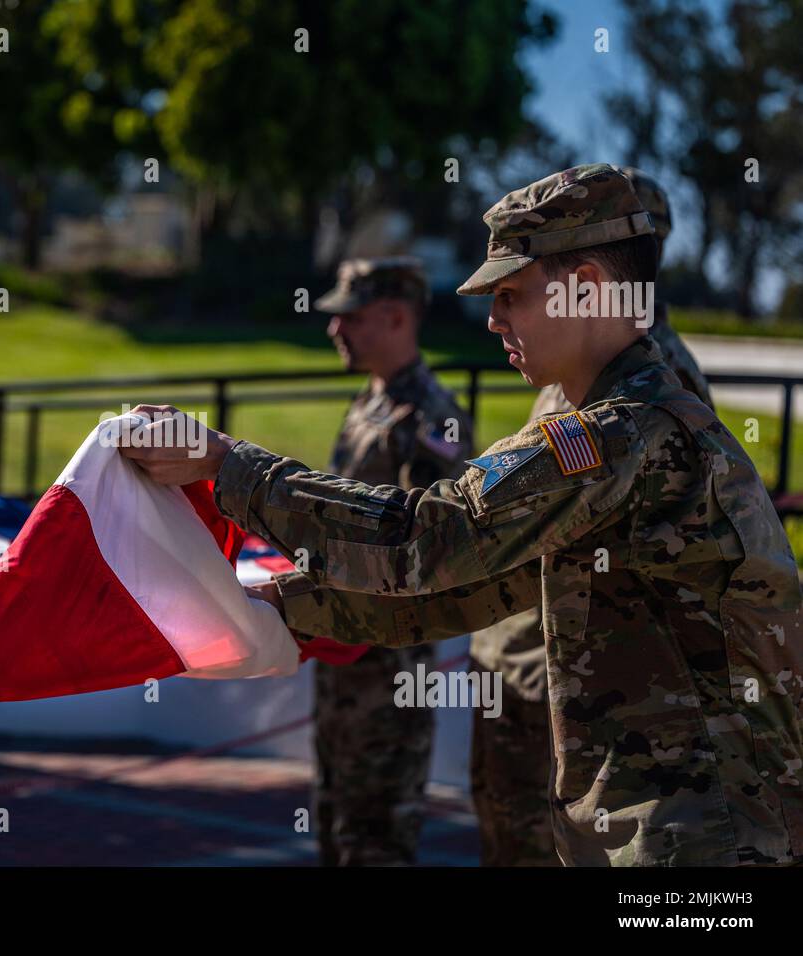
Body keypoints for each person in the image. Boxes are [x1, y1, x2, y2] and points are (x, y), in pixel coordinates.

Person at [120, 164, 803, 866]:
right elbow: (467, 588)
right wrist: (276, 607)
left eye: (510, 294)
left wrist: (228, 466)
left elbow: (427, 538)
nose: (492, 318)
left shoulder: (626, 434)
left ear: (590, 289)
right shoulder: (622, 425)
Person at [466, 166, 717, 865]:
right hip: (519, 653)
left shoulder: (647, 382)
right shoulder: (585, 357)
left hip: (565, 683)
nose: (498, 318)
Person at [309, 256, 473, 865]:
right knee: (335, 818)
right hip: (343, 656)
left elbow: (434, 545)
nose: (334, 330)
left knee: (375, 835)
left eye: (349, 317)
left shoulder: (436, 417)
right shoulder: (368, 403)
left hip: (391, 666)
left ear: (396, 317)